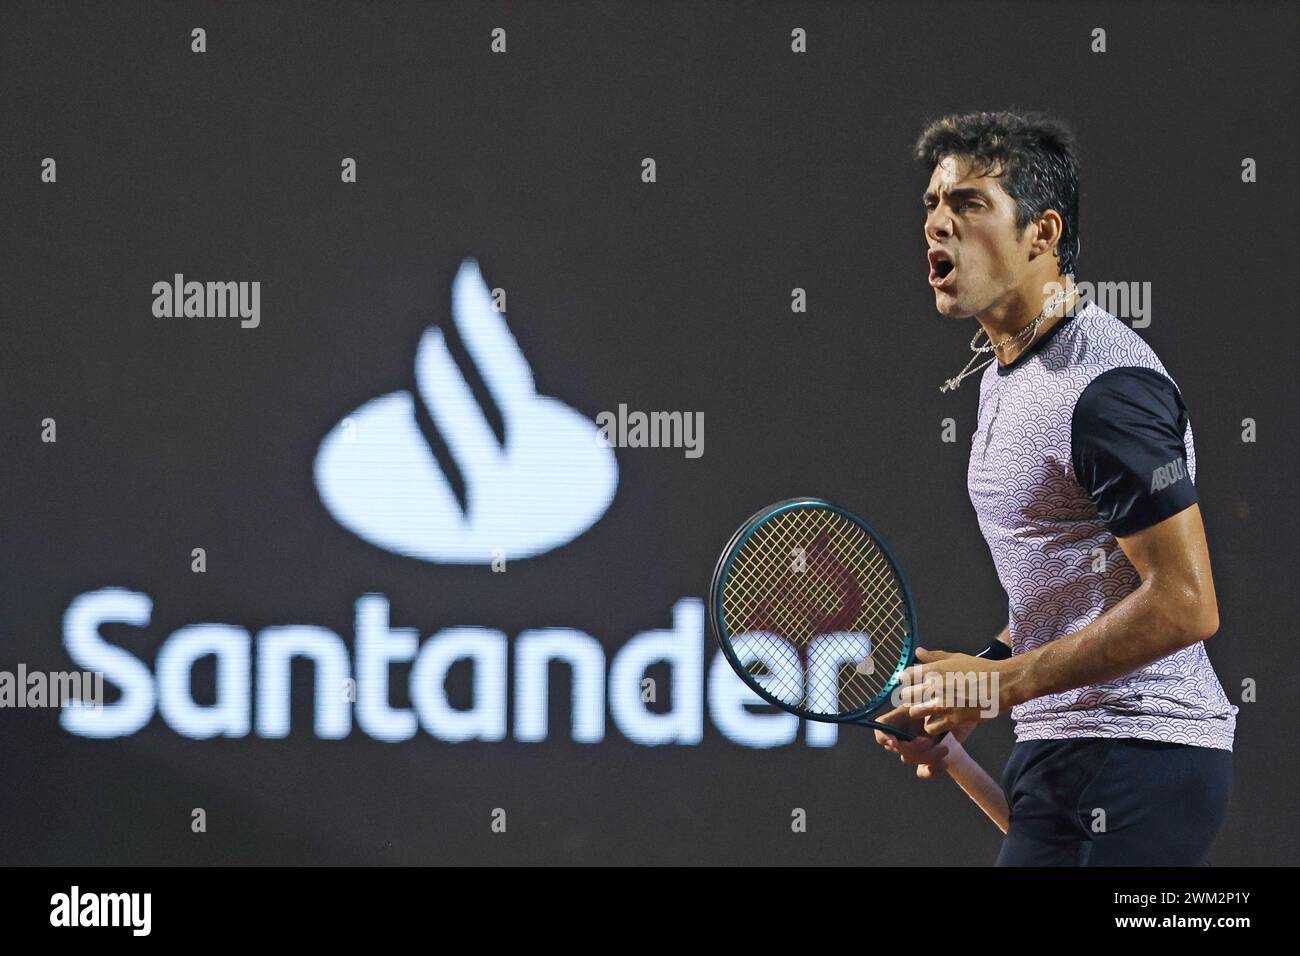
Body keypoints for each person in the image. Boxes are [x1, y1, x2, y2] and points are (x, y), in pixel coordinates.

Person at [876, 110, 1236, 866]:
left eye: (969, 205)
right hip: (1073, 753)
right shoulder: (1008, 371)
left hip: (1138, 751)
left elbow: (1186, 600)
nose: (939, 225)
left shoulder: (1105, 388)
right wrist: (970, 702)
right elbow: (1074, 579)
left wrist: (999, 685)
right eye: (932, 207)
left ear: (1042, 232)